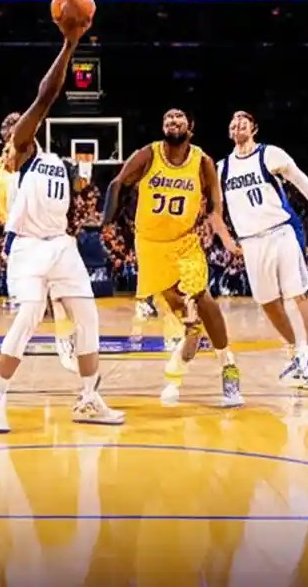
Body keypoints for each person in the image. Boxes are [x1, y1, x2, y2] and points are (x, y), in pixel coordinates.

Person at [0, 10, 123, 434]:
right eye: (10, 127)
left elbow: (69, 199)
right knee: (28, 317)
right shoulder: (19, 154)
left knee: (88, 317)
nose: (15, 127)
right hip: (27, 246)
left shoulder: (55, 160)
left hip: (61, 244)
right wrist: (70, 44)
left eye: (17, 123)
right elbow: (44, 97)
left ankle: (88, 398)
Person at [102, 108, 244, 407]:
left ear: (190, 127)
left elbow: (215, 209)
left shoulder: (202, 162)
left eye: (179, 117)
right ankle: (177, 370)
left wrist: (227, 240)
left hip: (184, 242)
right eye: (167, 117)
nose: (172, 121)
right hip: (150, 246)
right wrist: (106, 223)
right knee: (184, 317)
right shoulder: (148, 155)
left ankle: (227, 365)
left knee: (202, 299)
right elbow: (117, 183)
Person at [218, 110, 308, 390]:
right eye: (233, 120)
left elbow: (303, 182)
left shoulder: (269, 154)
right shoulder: (221, 167)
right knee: (267, 302)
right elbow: (214, 208)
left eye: (244, 120)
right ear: (230, 130)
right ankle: (296, 353)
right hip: (250, 241)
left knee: (299, 293)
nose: (238, 123)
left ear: (254, 128)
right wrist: (225, 237)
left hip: (280, 232)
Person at [0, 130, 79, 372]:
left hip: (38, 235)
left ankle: (64, 344)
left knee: (55, 297)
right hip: (20, 238)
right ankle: (2, 368)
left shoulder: (41, 167)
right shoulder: (1, 167)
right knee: (32, 307)